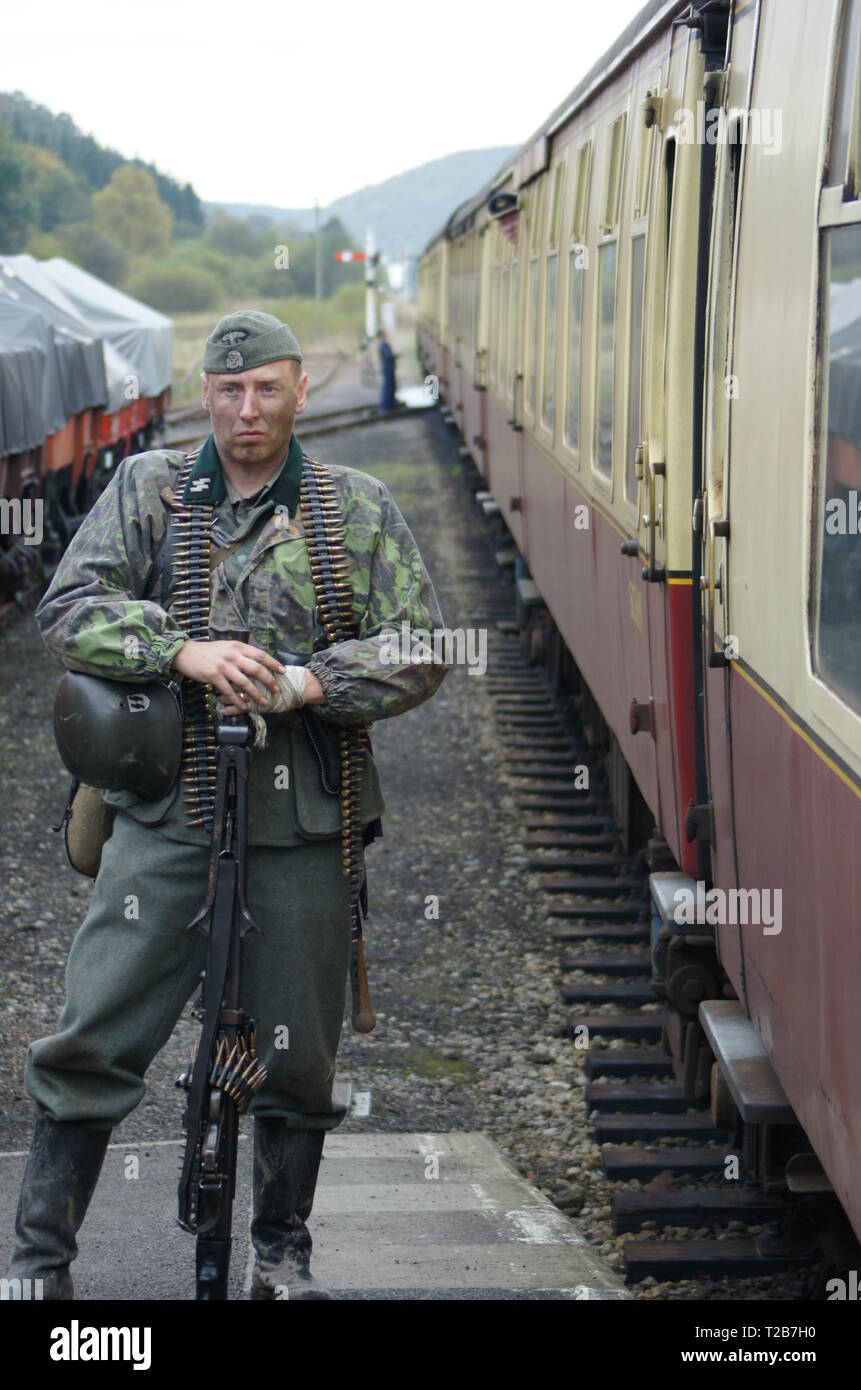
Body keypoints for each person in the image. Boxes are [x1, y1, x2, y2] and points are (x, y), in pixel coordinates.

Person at [4, 309, 448, 1301]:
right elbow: (68, 610)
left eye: (268, 389)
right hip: (166, 815)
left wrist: (307, 683)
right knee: (95, 1033)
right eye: (230, 389)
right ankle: (39, 1261)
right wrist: (178, 649)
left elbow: (422, 646)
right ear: (205, 393)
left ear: (299, 391)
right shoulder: (149, 490)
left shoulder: (356, 508)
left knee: (296, 1051)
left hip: (303, 828)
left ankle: (279, 1253)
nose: (248, 409)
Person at [377, 327, 398, 413]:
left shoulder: (382, 343)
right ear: (382, 333)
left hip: (388, 368)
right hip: (388, 368)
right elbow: (388, 356)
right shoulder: (383, 344)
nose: (387, 333)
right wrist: (396, 355)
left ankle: (389, 405)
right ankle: (386, 407)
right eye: (385, 332)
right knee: (389, 387)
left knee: (390, 386)